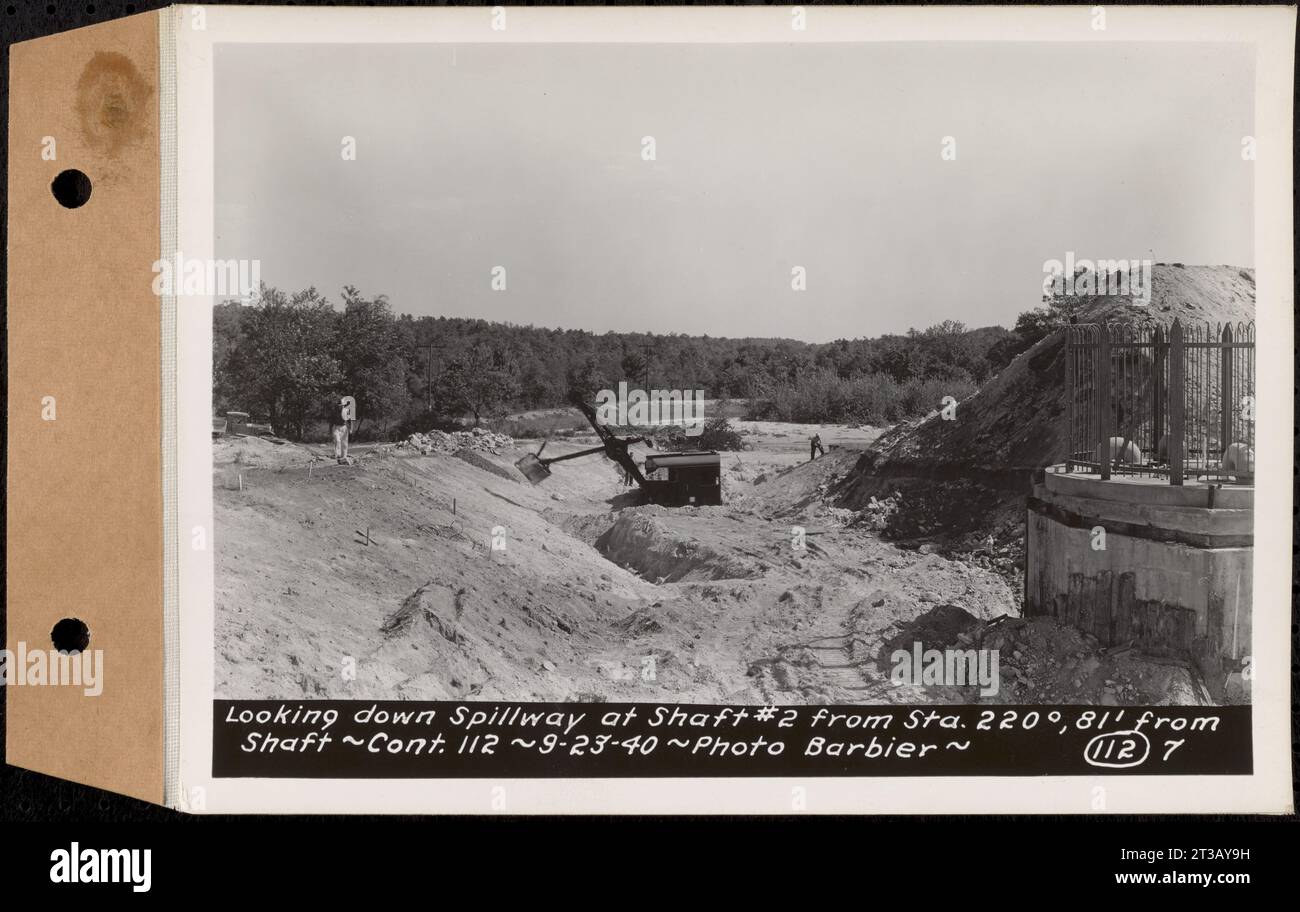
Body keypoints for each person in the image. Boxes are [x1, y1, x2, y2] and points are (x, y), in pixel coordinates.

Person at [324, 395, 352, 464]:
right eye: (339, 405)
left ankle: (344, 456)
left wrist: (350, 428)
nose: (340, 406)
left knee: (344, 443)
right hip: (336, 427)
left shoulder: (346, 411)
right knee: (337, 440)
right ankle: (338, 455)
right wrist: (330, 430)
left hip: (344, 427)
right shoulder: (334, 412)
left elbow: (350, 421)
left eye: (342, 405)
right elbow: (331, 422)